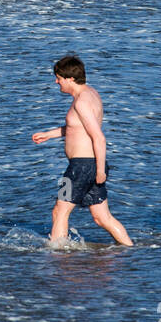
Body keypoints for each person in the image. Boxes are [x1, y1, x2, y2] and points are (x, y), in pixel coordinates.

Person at [32, 56, 133, 246]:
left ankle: (58, 256)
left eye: (58, 77)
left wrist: (101, 170)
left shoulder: (81, 102)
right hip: (90, 165)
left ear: (70, 79)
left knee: (59, 211)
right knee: (102, 218)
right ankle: (130, 249)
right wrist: (49, 134)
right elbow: (76, 128)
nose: (56, 82)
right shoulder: (91, 93)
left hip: (81, 167)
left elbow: (99, 137)